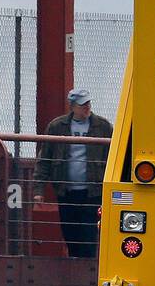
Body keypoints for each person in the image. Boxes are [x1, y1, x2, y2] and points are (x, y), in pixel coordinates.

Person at [33, 88, 113, 259]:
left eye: (88, 103)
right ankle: (75, 267)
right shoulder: (57, 126)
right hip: (66, 191)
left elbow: (115, 156)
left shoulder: (103, 127)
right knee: (70, 233)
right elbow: (44, 159)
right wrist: (38, 190)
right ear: (72, 106)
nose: (87, 108)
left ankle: (87, 271)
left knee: (89, 234)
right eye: (82, 104)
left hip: (93, 192)